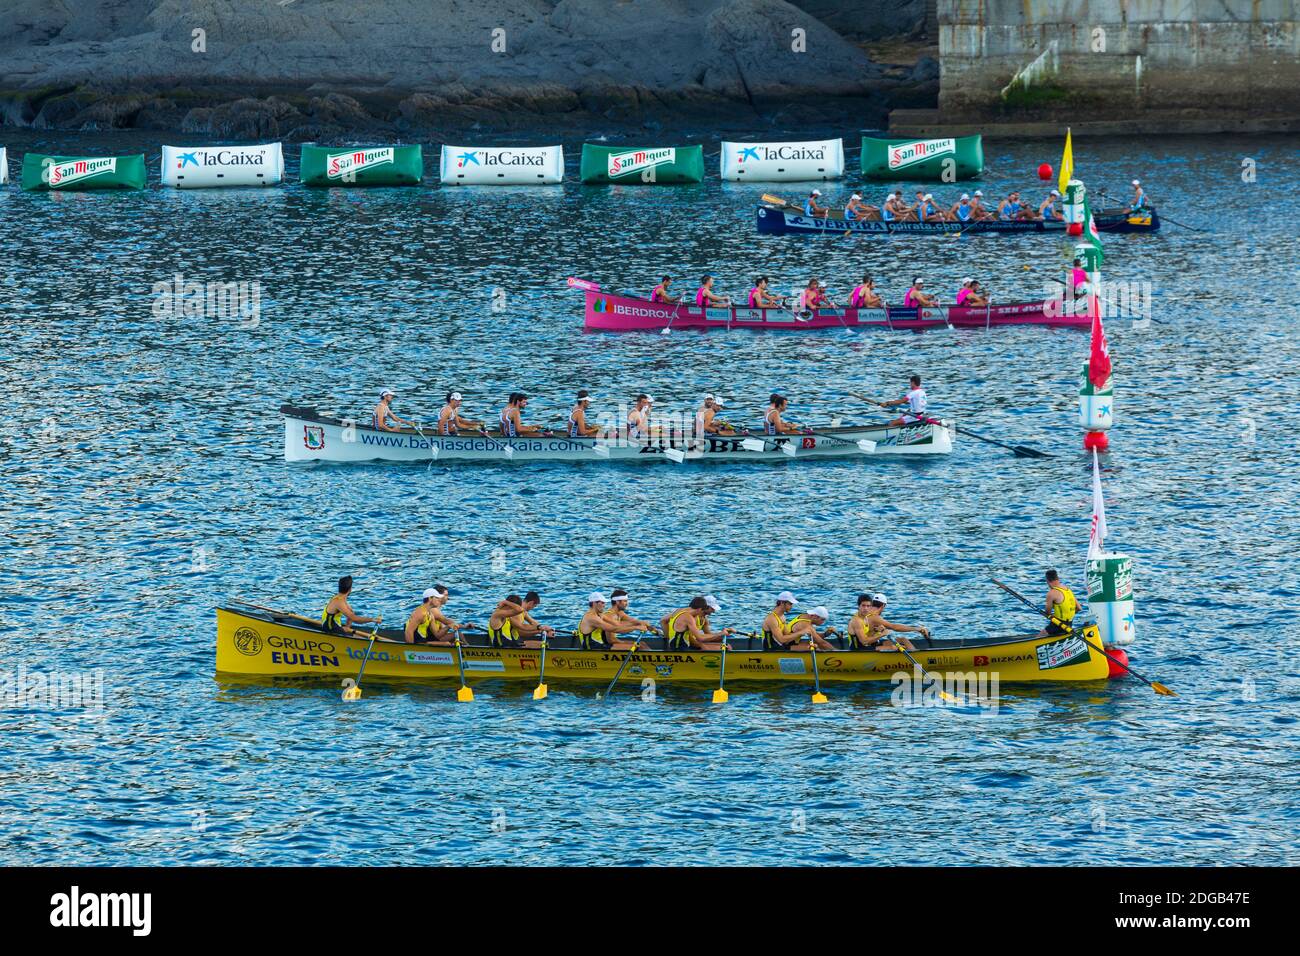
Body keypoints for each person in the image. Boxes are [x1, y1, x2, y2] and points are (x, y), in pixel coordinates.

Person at [847, 594, 927, 651]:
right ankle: (918, 661)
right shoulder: (858, 620)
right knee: (894, 647)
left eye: (868, 606)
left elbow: (866, 634)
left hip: (867, 645)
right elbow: (864, 641)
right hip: (859, 650)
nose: (866, 609)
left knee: (901, 641)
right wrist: (882, 634)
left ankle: (915, 657)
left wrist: (876, 631)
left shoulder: (865, 617)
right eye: (863, 606)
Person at [577, 591, 652, 651]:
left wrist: (639, 624)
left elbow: (617, 624)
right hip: (592, 648)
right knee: (638, 647)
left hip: (601, 645)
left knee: (641, 645)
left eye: (605, 603)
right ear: (594, 603)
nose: (604, 605)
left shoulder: (600, 615)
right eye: (602, 603)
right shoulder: (591, 618)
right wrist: (636, 628)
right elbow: (614, 629)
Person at [662, 595, 731, 651]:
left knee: (726, 646)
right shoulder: (689, 617)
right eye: (712, 609)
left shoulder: (680, 611)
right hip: (680, 649)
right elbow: (700, 638)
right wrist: (720, 634)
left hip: (683, 645)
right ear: (701, 609)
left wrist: (724, 634)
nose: (713, 611)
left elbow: (663, 620)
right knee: (727, 647)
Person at [488, 592, 553, 649]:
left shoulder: (507, 616)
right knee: (544, 645)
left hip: (511, 645)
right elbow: (521, 622)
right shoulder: (498, 614)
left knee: (545, 644)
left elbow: (533, 623)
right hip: (503, 648)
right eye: (512, 609)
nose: (513, 612)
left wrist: (544, 629)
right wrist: (505, 602)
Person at [1039, 570, 1079, 637]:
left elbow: (1047, 612)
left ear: (1047, 580)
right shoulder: (1068, 590)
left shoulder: (1051, 593)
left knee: (1039, 637)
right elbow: (1079, 608)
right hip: (1069, 625)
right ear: (1057, 578)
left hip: (1058, 624)